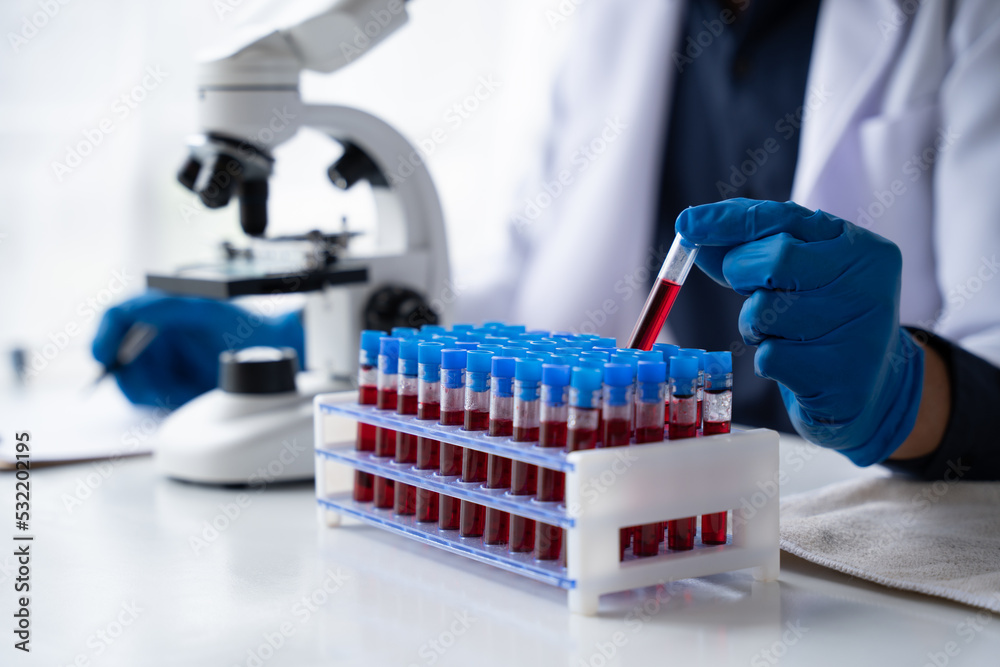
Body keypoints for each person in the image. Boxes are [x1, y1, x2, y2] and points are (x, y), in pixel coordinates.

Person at [94, 0, 1000, 480]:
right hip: (642, 510)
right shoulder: (603, 15)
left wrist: (901, 390)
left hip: (862, 543)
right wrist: (317, 344)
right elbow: (535, 285)